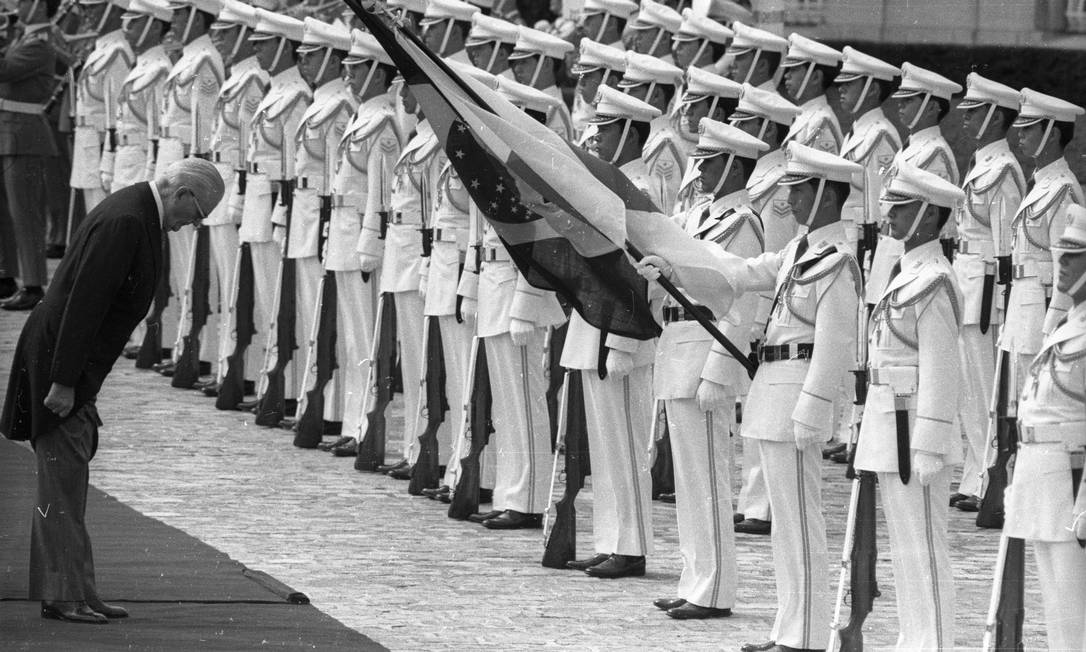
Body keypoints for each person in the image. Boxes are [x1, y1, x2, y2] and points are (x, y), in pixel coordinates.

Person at [637, 142, 862, 651]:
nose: (791, 200)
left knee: (801, 524)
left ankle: (804, 634)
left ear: (826, 194)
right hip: (771, 394)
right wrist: (675, 270)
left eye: (800, 190)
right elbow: (739, 273)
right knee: (786, 526)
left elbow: (834, 343)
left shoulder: (837, 261)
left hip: (795, 395)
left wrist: (815, 405)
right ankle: (791, 629)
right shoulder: (799, 251)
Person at [0, 158, 225, 624]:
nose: (191, 225)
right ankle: (64, 596)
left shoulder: (136, 211)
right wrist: (64, 382)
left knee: (71, 477)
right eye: (197, 213)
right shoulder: (128, 220)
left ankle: (77, 588)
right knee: (61, 481)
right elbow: (84, 304)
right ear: (182, 194)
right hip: (61, 364)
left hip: (71, 361)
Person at [651, 118, 766, 620]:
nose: (702, 168)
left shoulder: (744, 223)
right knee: (690, 478)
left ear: (734, 166)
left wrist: (719, 371)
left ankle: (714, 587)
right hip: (679, 343)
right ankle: (695, 578)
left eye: (712, 160)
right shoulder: (703, 217)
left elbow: (741, 305)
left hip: (705, 350)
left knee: (710, 477)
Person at [853, 160, 965, 648]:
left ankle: (933, 643)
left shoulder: (934, 278)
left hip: (913, 428)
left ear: (925, 214)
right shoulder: (908, 271)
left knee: (923, 547)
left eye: (899, 209)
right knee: (906, 547)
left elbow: (943, 367)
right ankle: (914, 639)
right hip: (889, 421)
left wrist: (931, 443)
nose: (889, 217)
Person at [563, 85, 660, 579]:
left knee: (625, 442)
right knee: (606, 444)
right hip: (595, 324)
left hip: (622, 333)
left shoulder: (640, 192)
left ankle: (633, 544)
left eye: (603, 130)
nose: (594, 139)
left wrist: (624, 340)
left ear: (627, 132)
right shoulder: (608, 184)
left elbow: (641, 276)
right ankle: (612, 539)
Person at [1005, 202, 1086, 650]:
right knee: (1057, 612)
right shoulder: (1063, 324)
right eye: (1062, 252)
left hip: (1073, 489)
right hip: (1044, 483)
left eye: (1075, 255)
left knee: (1078, 613)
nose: (1062, 262)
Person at [949, 73, 1025, 511]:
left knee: (984, 386)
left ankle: (988, 477)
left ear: (996, 118)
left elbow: (1004, 249)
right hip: (967, 283)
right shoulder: (982, 162)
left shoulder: (1003, 170)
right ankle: (974, 474)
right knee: (969, 389)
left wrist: (1000, 300)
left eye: (975, 112)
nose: (965, 120)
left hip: (985, 292)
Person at [0, 0, 61, 310]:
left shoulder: (40, 44)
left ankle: (34, 283)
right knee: (7, 213)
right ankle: (6, 274)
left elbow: (5, 70)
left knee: (25, 214)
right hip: (9, 132)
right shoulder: (24, 37)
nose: (19, 6)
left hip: (25, 134)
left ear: (38, 6)